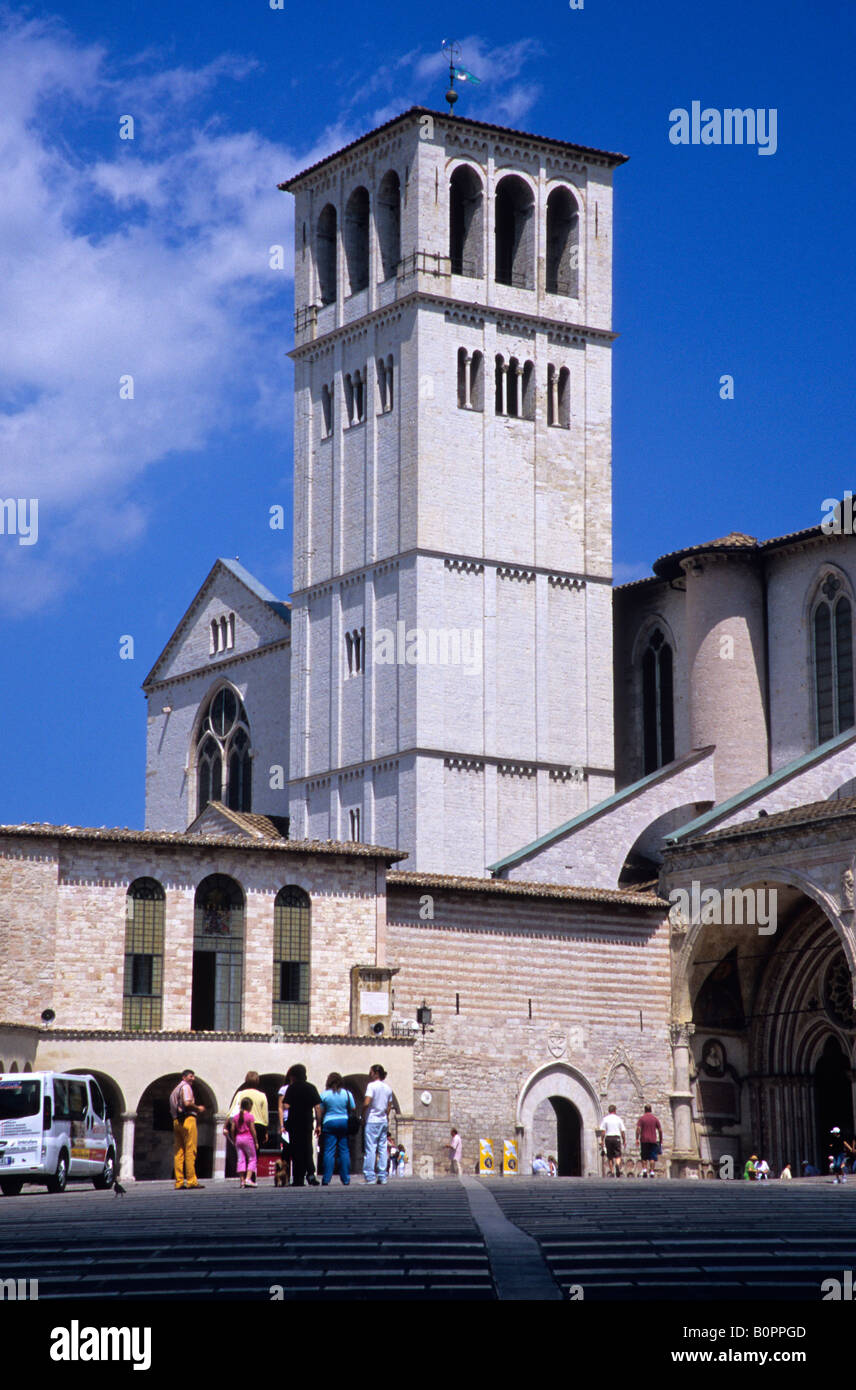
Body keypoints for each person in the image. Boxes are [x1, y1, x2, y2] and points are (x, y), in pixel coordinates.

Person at [281, 1064, 321, 1186]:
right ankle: (310, 1174)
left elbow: (285, 1105)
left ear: (293, 1076)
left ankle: (298, 1178)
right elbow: (317, 1107)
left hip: (294, 1123)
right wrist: (319, 1124)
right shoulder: (311, 1087)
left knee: (296, 1150)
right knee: (308, 1148)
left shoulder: (291, 1088)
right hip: (307, 1122)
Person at [169, 1069, 206, 1190]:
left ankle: (179, 1181)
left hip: (176, 1121)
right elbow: (187, 1102)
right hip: (187, 1119)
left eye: (193, 1076)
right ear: (184, 1077)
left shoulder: (175, 1090)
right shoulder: (186, 1087)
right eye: (191, 1076)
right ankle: (191, 1180)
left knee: (179, 1152)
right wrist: (198, 1108)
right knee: (191, 1150)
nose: (193, 1079)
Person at [319, 1073, 355, 1186]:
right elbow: (353, 1107)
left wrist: (319, 1124)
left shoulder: (324, 1095)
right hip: (344, 1121)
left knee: (329, 1151)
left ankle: (326, 1178)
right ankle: (346, 1179)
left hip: (329, 1122)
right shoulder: (347, 1094)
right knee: (344, 1150)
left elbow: (320, 1110)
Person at [362, 1063, 393, 1185]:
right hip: (383, 1120)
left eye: (371, 1072)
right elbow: (389, 1105)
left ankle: (369, 1176)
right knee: (382, 1148)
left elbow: (366, 1102)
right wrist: (385, 1114)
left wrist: (363, 1114)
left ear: (375, 1073)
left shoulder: (371, 1086)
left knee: (370, 1148)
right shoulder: (388, 1088)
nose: (369, 1074)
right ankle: (382, 1176)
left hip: (372, 1120)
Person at [227, 1071, 269, 1149]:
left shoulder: (240, 1094)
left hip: (242, 1124)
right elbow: (265, 1115)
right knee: (255, 1151)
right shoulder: (262, 1095)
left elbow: (231, 1111)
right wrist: (266, 1130)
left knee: (242, 1151)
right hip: (258, 1125)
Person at [231, 1097, 258, 1189]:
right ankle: (248, 1179)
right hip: (248, 1139)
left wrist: (233, 1138)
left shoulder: (235, 1117)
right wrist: (256, 1141)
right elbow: (253, 1130)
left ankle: (242, 1181)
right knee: (252, 1158)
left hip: (238, 1139)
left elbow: (232, 1129)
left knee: (240, 1159)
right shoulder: (250, 1116)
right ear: (249, 1106)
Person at [636, 1104, 663, 1178]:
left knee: (644, 1156)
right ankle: (651, 1171)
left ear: (645, 1110)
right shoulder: (655, 1119)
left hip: (644, 1140)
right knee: (652, 1157)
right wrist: (661, 1140)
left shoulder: (642, 1119)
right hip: (653, 1140)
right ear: (651, 1110)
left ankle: (644, 1170)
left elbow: (638, 1129)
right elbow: (660, 1130)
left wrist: (637, 1138)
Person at [601, 1105, 626, 1177]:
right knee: (618, 1155)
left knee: (610, 1156)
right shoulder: (618, 1119)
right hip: (616, 1137)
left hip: (608, 1138)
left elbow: (603, 1131)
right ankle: (617, 1165)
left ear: (609, 1111)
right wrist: (624, 1140)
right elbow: (622, 1131)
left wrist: (602, 1140)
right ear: (615, 1110)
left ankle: (612, 1171)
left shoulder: (605, 1119)